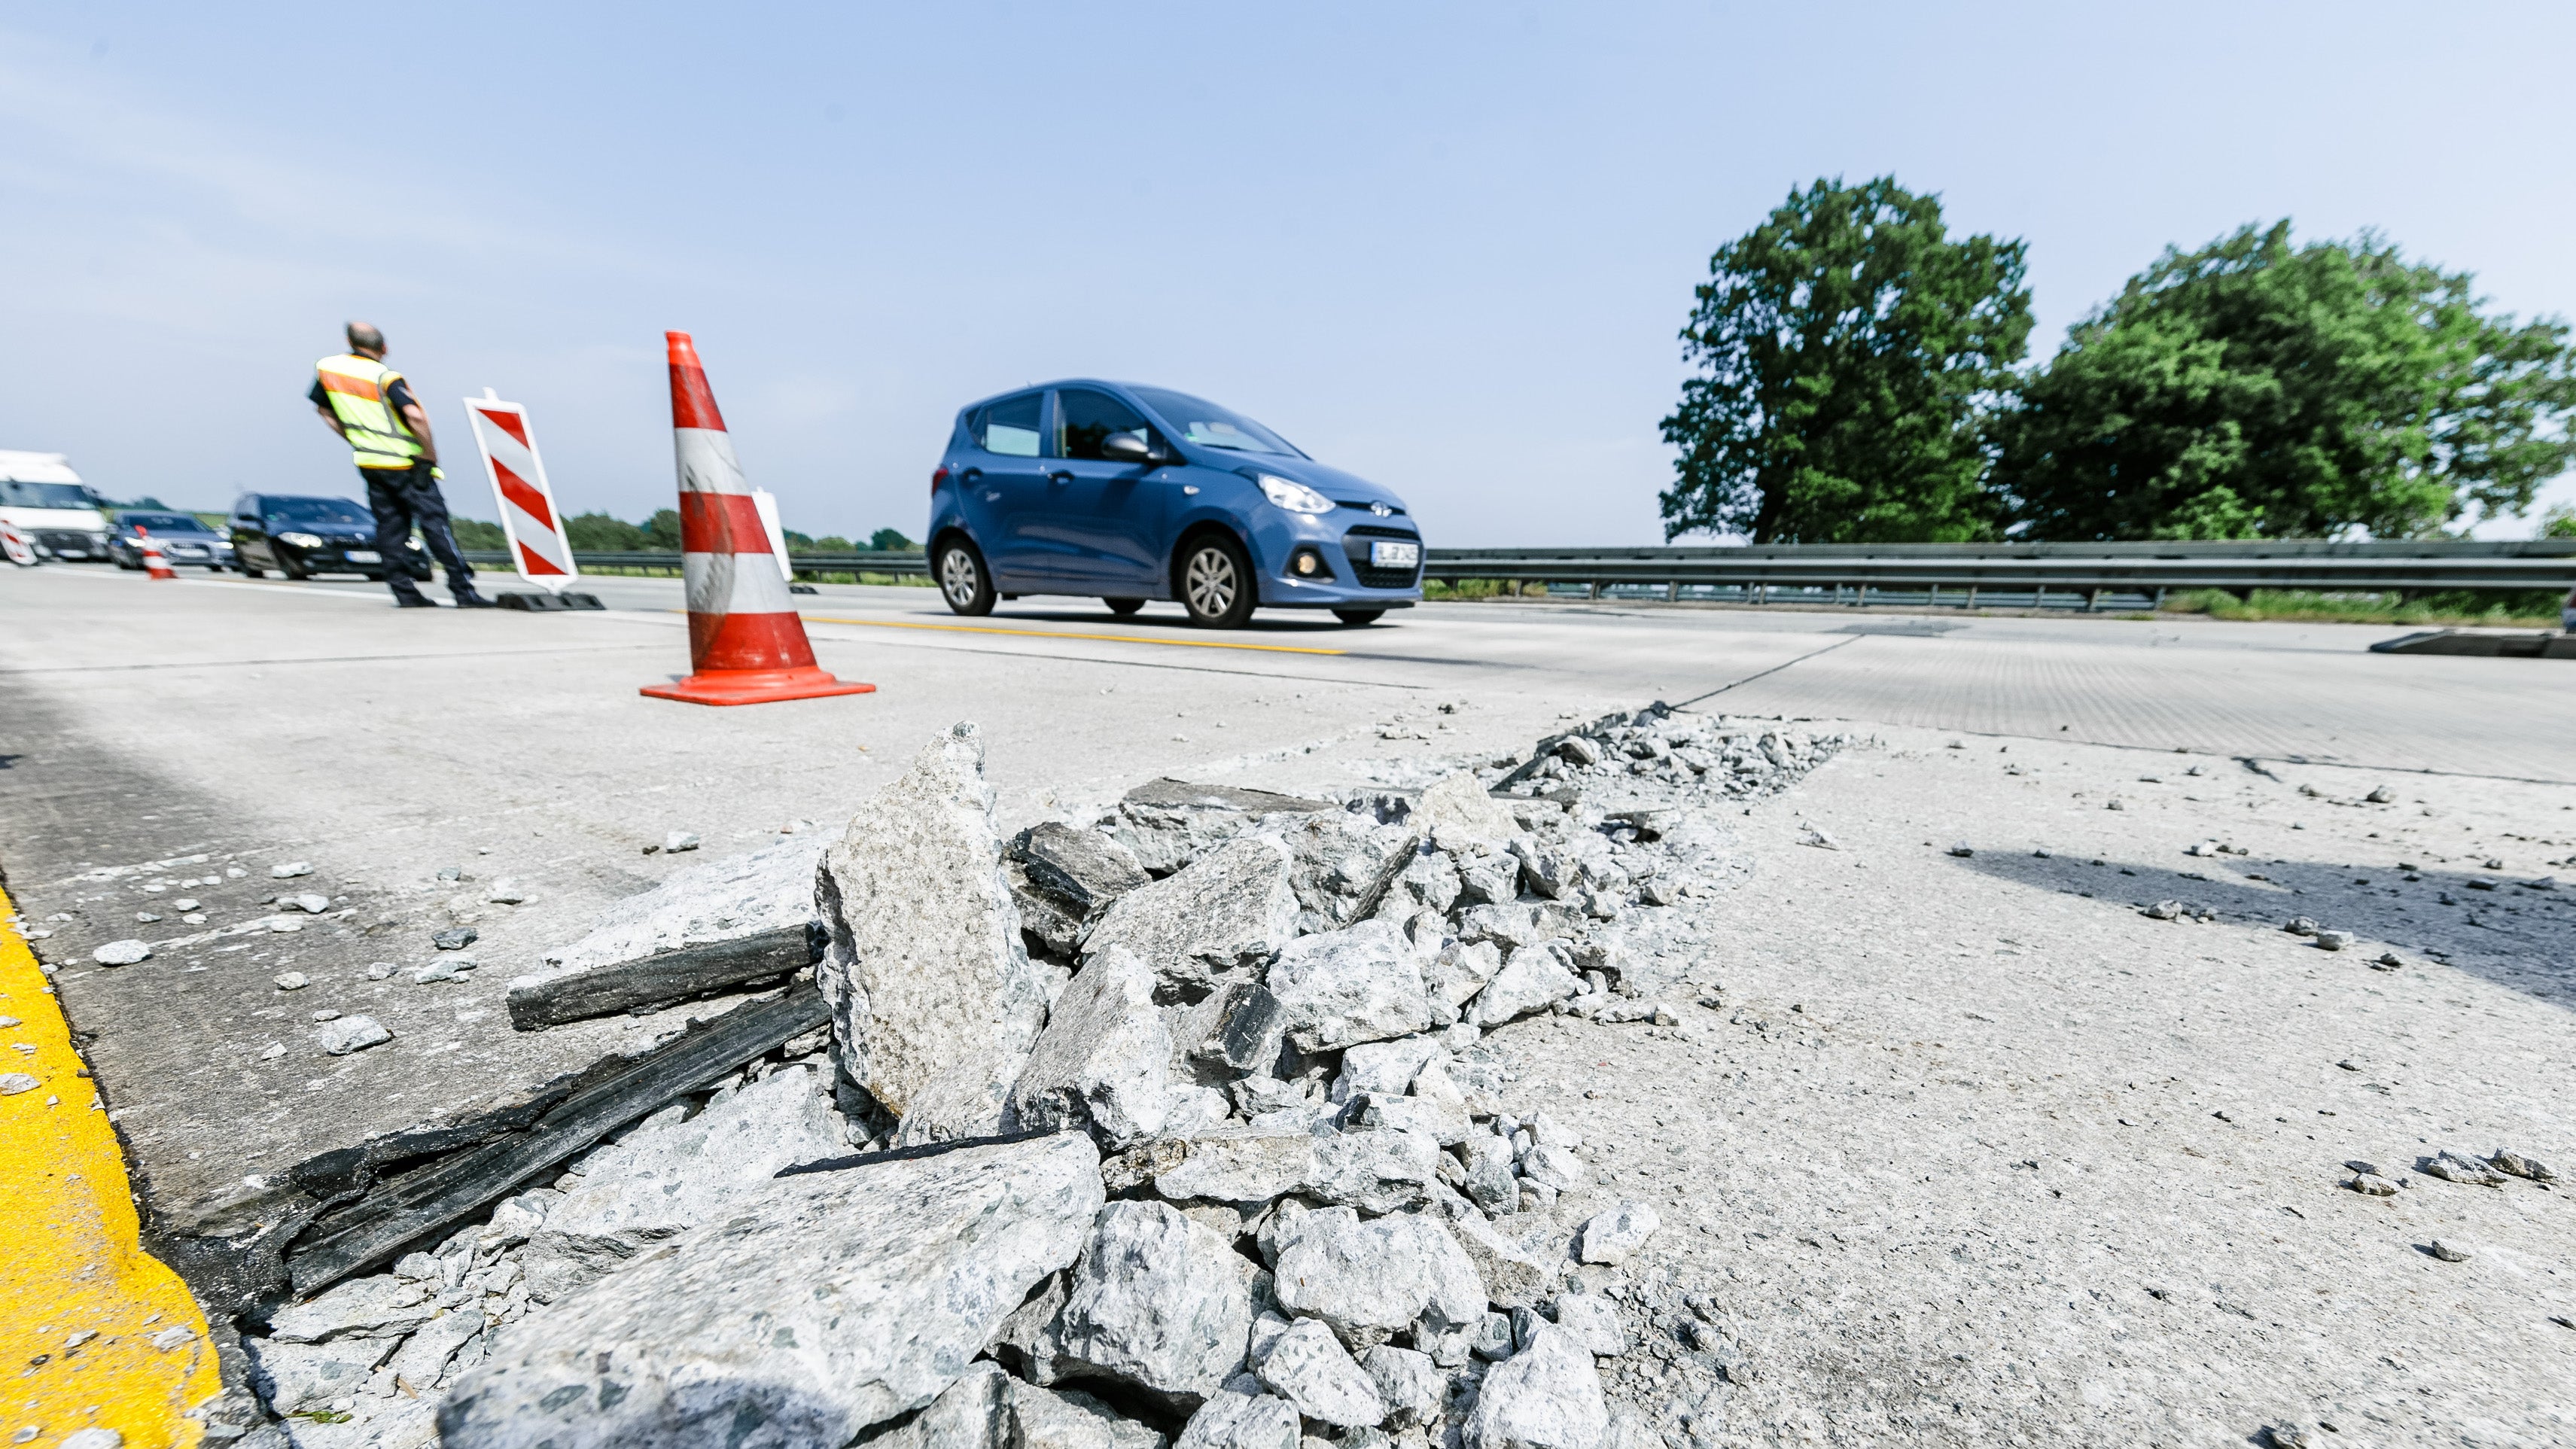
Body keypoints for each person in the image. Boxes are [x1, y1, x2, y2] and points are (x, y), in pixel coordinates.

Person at [309, 321, 491, 607]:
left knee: (390, 529)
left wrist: (355, 439)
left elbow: (324, 410)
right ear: (384, 348)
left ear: (349, 341)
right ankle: (463, 590)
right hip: (407, 463)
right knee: (435, 526)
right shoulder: (385, 377)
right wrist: (429, 453)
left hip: (370, 462)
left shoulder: (329, 370)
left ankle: (405, 593)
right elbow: (414, 416)